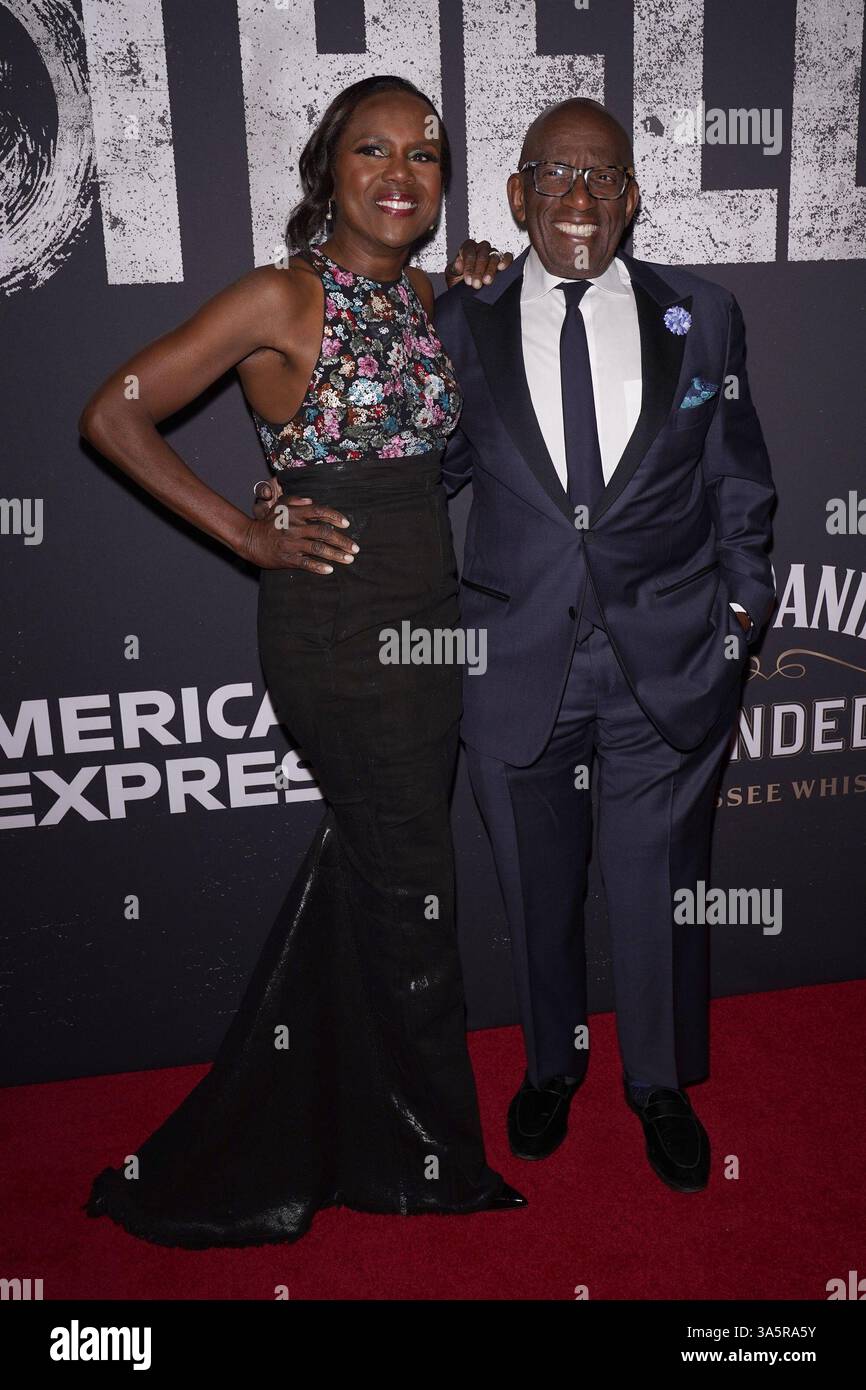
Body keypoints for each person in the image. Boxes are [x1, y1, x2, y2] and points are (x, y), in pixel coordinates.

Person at [264, 97, 776, 1195]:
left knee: (655, 883)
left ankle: (657, 1084)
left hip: (666, 662)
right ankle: (551, 1066)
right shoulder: (461, 321)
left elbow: (737, 476)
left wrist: (739, 620)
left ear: (631, 198)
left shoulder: (705, 315)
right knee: (532, 890)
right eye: (553, 174)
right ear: (516, 194)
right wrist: (289, 489)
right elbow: (412, 470)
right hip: (513, 661)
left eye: (601, 179)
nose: (578, 199)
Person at [79, 74, 524, 1249]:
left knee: (379, 873)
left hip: (426, 616)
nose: (397, 173)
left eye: (421, 156)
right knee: (419, 891)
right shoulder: (281, 297)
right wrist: (245, 532)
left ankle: (339, 1116)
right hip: (337, 633)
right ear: (328, 168)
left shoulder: (424, 291)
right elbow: (113, 412)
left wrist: (476, 278)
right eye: (370, 150)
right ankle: (427, 1162)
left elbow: (458, 387)